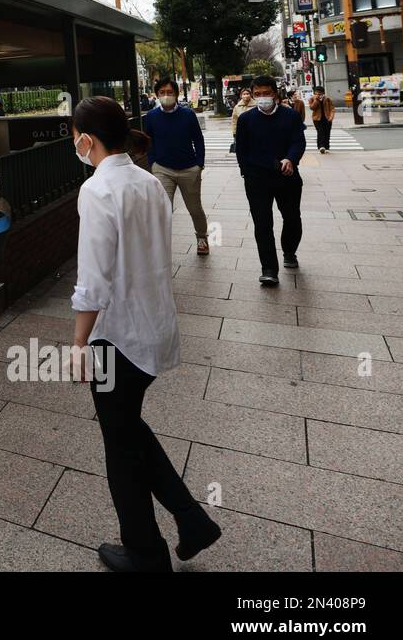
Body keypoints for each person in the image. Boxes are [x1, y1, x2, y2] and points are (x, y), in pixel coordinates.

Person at [70, 96, 221, 573]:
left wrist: (77, 346)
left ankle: (145, 553)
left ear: (86, 140)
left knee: (120, 448)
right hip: (153, 330)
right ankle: (191, 521)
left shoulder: (97, 192)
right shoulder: (149, 183)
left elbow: (92, 283)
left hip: (116, 340)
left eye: (75, 136)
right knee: (128, 432)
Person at [236, 75, 306, 287]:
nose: (262, 97)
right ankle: (268, 269)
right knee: (262, 223)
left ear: (275, 94)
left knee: (292, 218)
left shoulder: (291, 116)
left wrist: (291, 159)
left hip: (287, 176)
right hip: (257, 179)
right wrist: (246, 172)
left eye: (266, 93)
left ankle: (289, 251)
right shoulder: (246, 119)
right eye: (257, 94)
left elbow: (298, 141)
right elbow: (242, 150)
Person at [141, 78, 209, 256]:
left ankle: (202, 238)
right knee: (163, 209)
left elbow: (198, 139)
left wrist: (199, 164)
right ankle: (161, 246)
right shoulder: (151, 116)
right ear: (156, 95)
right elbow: (148, 141)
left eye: (169, 92)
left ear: (176, 94)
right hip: (163, 169)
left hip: (189, 168)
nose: (166, 96)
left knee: (195, 208)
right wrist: (153, 162)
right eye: (162, 93)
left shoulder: (188, 114)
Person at [308, 86, 335, 153]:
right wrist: (316, 100)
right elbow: (312, 108)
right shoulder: (312, 99)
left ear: (322, 93)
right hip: (317, 119)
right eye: (316, 93)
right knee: (320, 132)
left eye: (319, 94)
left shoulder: (327, 99)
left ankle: (327, 147)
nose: (317, 95)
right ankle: (321, 147)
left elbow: (332, 109)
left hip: (327, 118)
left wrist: (331, 117)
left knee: (327, 133)